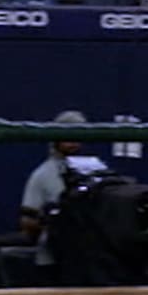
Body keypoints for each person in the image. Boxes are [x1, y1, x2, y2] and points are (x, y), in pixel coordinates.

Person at [19, 110, 107, 285]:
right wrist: (55, 224)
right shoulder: (42, 174)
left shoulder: (97, 169)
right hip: (53, 260)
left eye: (78, 136)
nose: (73, 142)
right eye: (68, 136)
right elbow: (27, 222)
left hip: (93, 259)